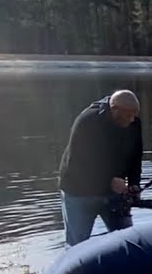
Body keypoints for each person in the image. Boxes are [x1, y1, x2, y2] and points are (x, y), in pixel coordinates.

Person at [57, 90, 144, 246]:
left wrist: (134, 183)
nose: (131, 120)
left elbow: (135, 156)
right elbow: (78, 164)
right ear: (114, 109)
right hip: (79, 192)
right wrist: (109, 182)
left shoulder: (134, 123)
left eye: (134, 115)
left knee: (128, 241)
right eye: (127, 115)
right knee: (77, 244)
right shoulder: (88, 121)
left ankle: (127, 269)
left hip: (114, 193)